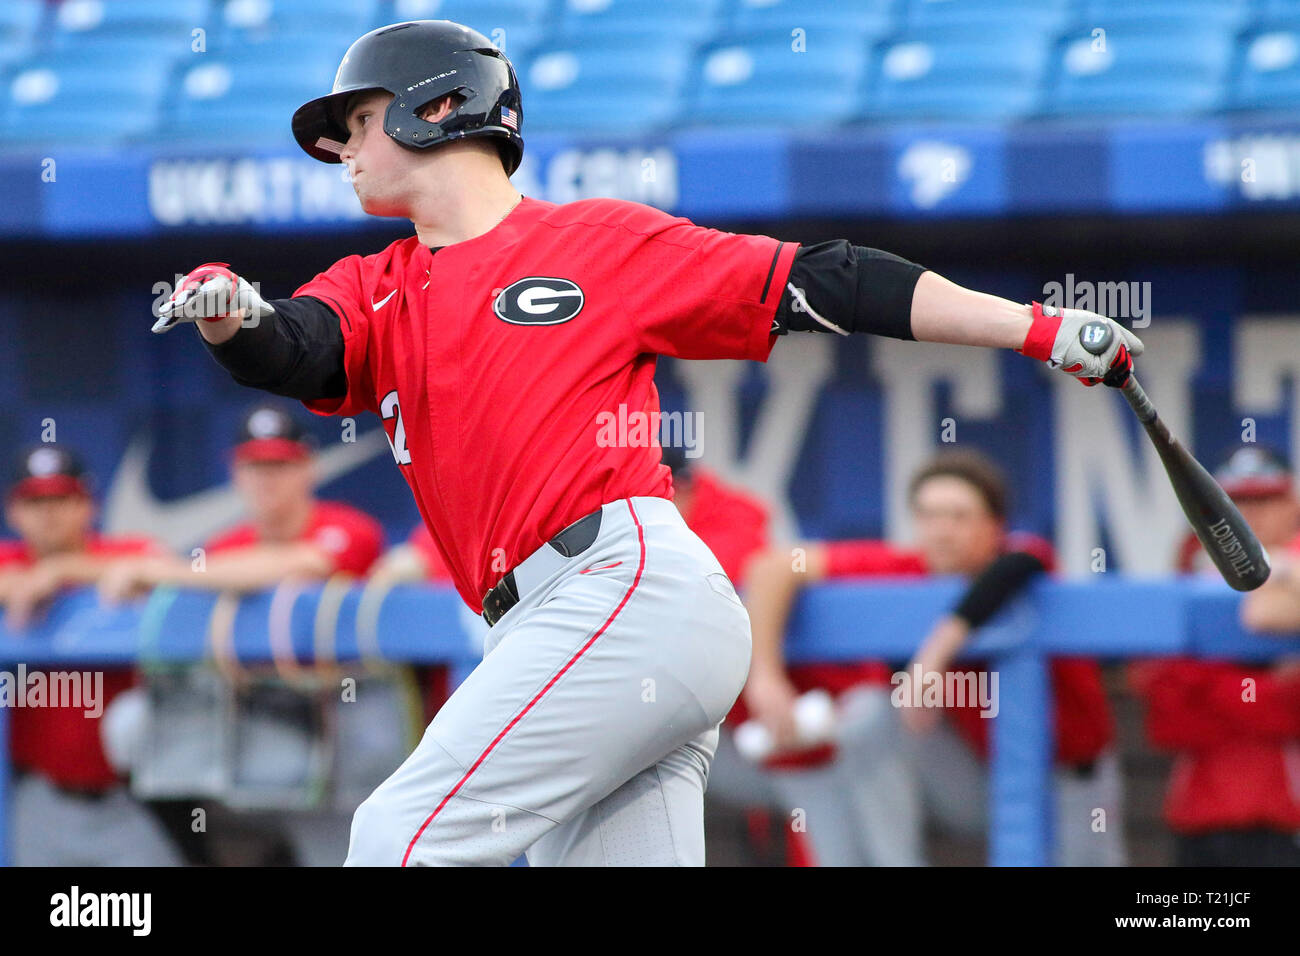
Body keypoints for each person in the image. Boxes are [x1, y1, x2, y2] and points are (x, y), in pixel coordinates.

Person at [149, 19, 1141, 866]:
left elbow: (825, 280)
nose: (343, 148)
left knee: (399, 839)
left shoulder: (594, 242)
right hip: (564, 626)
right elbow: (298, 349)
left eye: (357, 121)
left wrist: (1035, 325)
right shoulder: (375, 283)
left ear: (438, 108)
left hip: (618, 587)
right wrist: (236, 320)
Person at [743, 451, 1122, 866]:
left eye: (959, 516)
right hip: (980, 780)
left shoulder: (1020, 560)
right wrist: (766, 676)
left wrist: (934, 653)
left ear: (995, 526)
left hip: (1070, 782)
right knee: (869, 713)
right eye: (929, 515)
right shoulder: (911, 567)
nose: (942, 531)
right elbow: (773, 567)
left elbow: (1021, 563)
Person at [100, 403, 389, 866]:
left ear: (307, 467)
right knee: (128, 722)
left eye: (281, 464)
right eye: (256, 466)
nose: (267, 478)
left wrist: (162, 570)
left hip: (338, 731)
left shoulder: (347, 527)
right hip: (253, 725)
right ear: (236, 473)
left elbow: (304, 562)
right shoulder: (222, 550)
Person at [0, 445, 183, 866]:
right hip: (38, 799)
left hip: (128, 799)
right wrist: (18, 583)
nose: (49, 512)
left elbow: (169, 570)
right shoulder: (11, 561)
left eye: (62, 499)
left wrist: (60, 571)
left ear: (89, 506)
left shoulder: (123, 556)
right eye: (35, 501)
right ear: (14, 512)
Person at [1132, 446, 1300, 866]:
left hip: (1286, 813)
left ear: (1291, 505)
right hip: (1201, 812)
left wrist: (1207, 681)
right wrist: (1269, 688)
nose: (1250, 514)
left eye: (1265, 500)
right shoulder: (1190, 570)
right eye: (1236, 501)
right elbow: (1168, 718)